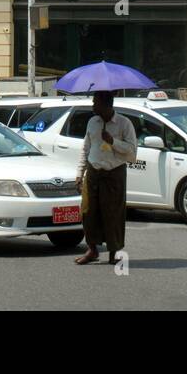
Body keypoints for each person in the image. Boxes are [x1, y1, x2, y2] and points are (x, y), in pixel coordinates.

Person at [75, 90, 137, 266]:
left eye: (95, 102)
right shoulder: (92, 122)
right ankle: (92, 249)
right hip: (94, 172)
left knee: (112, 214)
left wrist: (113, 141)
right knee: (88, 212)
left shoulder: (124, 124)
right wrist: (80, 173)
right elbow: (85, 148)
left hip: (113, 174)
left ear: (106, 104)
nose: (93, 105)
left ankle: (113, 251)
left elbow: (132, 154)